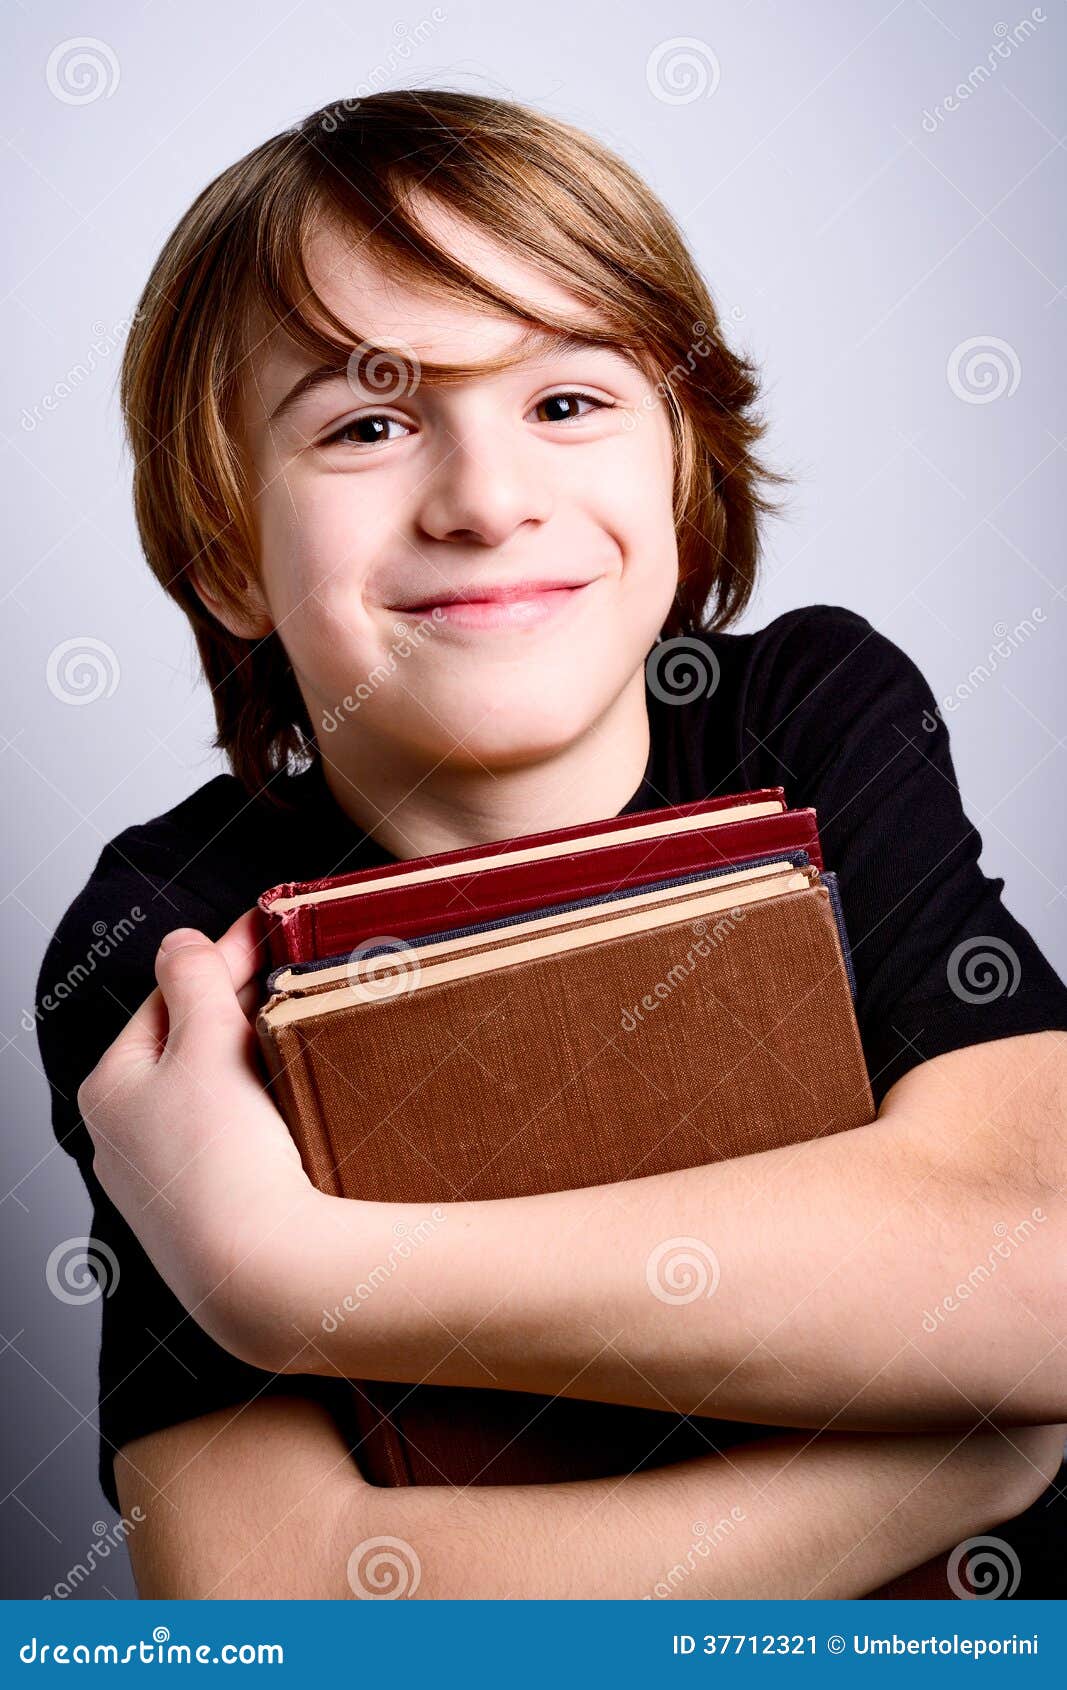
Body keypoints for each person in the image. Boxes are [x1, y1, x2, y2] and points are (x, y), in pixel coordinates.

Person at [36, 90, 1067, 1600]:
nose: (487, 499)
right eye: (369, 423)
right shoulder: (170, 934)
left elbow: (1038, 1261)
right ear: (224, 551)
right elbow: (282, 1607)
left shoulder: (813, 716)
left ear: (678, 467)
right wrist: (938, 1453)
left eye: (567, 402)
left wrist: (294, 1274)